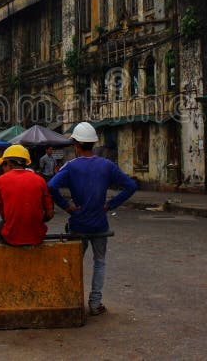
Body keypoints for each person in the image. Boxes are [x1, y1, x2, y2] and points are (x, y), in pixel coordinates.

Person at [48, 122, 137, 316]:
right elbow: (130, 186)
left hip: (78, 222)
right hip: (99, 223)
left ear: (76, 145)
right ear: (93, 144)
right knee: (100, 262)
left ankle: (71, 301)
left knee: (73, 262)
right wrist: (110, 205)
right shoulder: (107, 165)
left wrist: (68, 207)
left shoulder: (70, 167)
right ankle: (95, 303)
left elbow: (51, 187)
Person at [0, 145, 54, 246]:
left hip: (11, 237)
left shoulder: (0, 181)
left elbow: (4, 215)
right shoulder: (40, 180)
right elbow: (49, 214)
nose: (3, 169)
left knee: (1, 225)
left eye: (3, 165)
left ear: (8, 163)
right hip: (37, 236)